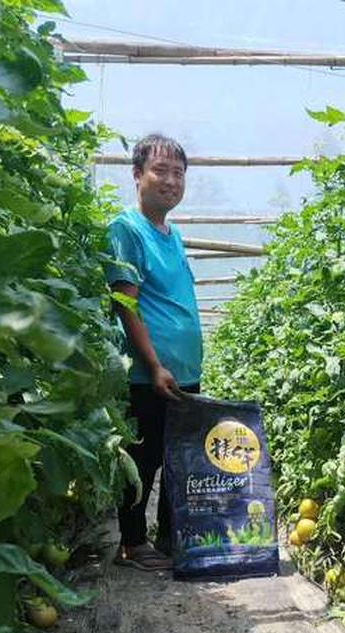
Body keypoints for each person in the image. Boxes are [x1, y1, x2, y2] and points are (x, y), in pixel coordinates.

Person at [105, 133, 202, 570]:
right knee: (141, 458)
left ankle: (167, 540)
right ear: (137, 175)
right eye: (160, 171)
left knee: (177, 457)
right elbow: (126, 302)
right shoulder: (126, 229)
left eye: (178, 173)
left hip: (181, 370)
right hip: (148, 373)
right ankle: (132, 542)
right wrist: (154, 363)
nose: (170, 181)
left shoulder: (173, 233)